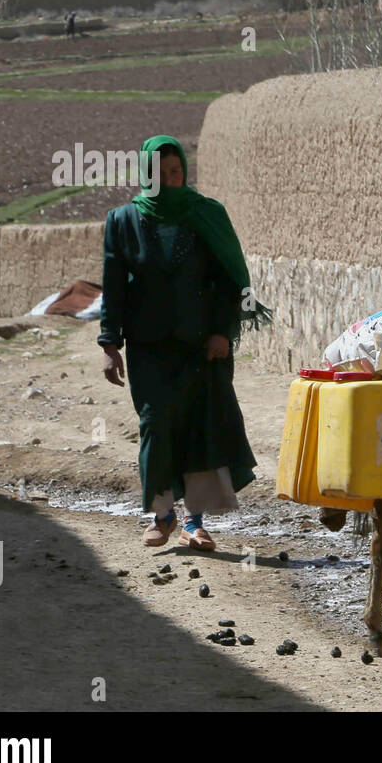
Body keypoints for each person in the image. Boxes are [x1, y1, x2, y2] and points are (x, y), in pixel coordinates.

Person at [98, 135, 270, 549]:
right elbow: (114, 286)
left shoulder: (206, 215)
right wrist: (109, 344)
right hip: (149, 346)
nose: (169, 181)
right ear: (146, 175)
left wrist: (222, 332)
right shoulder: (123, 221)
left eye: (175, 172)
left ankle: (195, 521)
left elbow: (231, 280)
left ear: (184, 172)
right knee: (155, 425)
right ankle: (162, 515)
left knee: (200, 426)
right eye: (159, 174)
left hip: (201, 344)